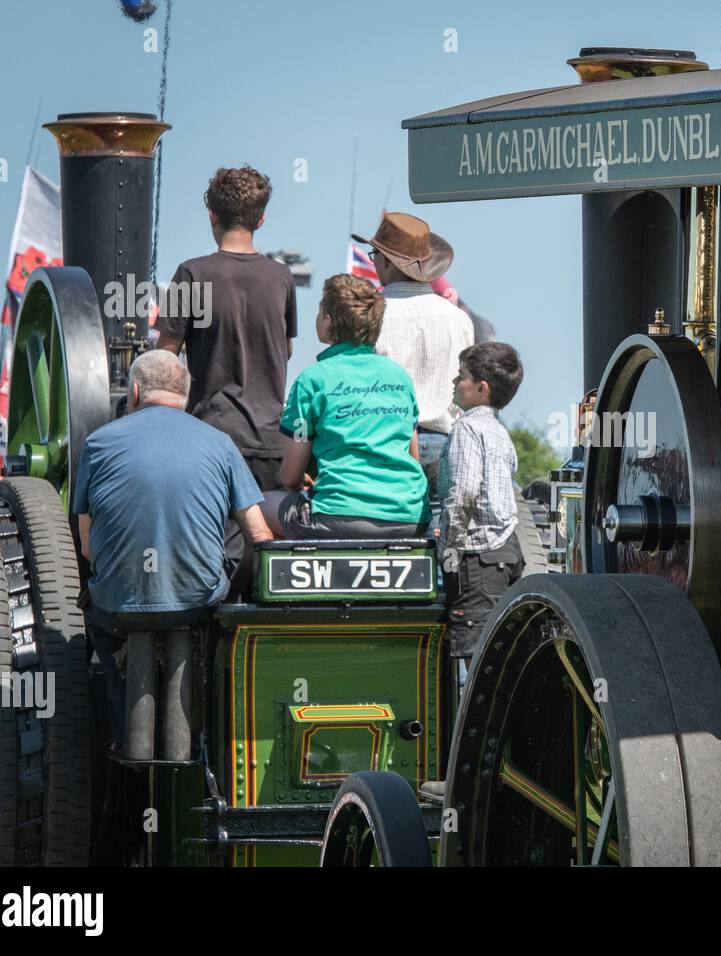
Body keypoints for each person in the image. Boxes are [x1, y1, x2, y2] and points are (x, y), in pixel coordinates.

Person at [72, 351, 273, 752]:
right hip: (197, 600)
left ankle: (118, 738)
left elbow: (89, 546)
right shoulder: (220, 444)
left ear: (133, 392)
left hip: (119, 602)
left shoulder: (97, 443)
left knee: (98, 617)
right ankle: (208, 734)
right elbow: (259, 535)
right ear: (186, 394)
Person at [156, 166, 297, 574]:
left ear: (212, 215)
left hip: (211, 438)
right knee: (261, 559)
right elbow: (284, 351)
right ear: (261, 218)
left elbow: (164, 360)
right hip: (271, 440)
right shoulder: (280, 277)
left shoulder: (193, 274)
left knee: (212, 553)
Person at [419, 342, 525, 803]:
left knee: (473, 672)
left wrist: (449, 547)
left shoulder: (465, 431)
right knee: (496, 667)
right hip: (506, 553)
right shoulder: (500, 432)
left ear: (481, 388)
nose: (455, 383)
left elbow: (461, 492)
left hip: (478, 557)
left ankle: (466, 781)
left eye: (462, 376)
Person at [261, 274, 430, 540]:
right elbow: (413, 458)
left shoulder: (311, 380)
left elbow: (291, 477)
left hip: (336, 516)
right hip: (409, 517)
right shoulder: (400, 377)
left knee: (258, 504)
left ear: (328, 321)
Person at [352, 211, 474, 493]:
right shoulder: (458, 319)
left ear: (384, 260)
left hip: (388, 445)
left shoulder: (370, 316)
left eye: (374, 255)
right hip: (447, 444)